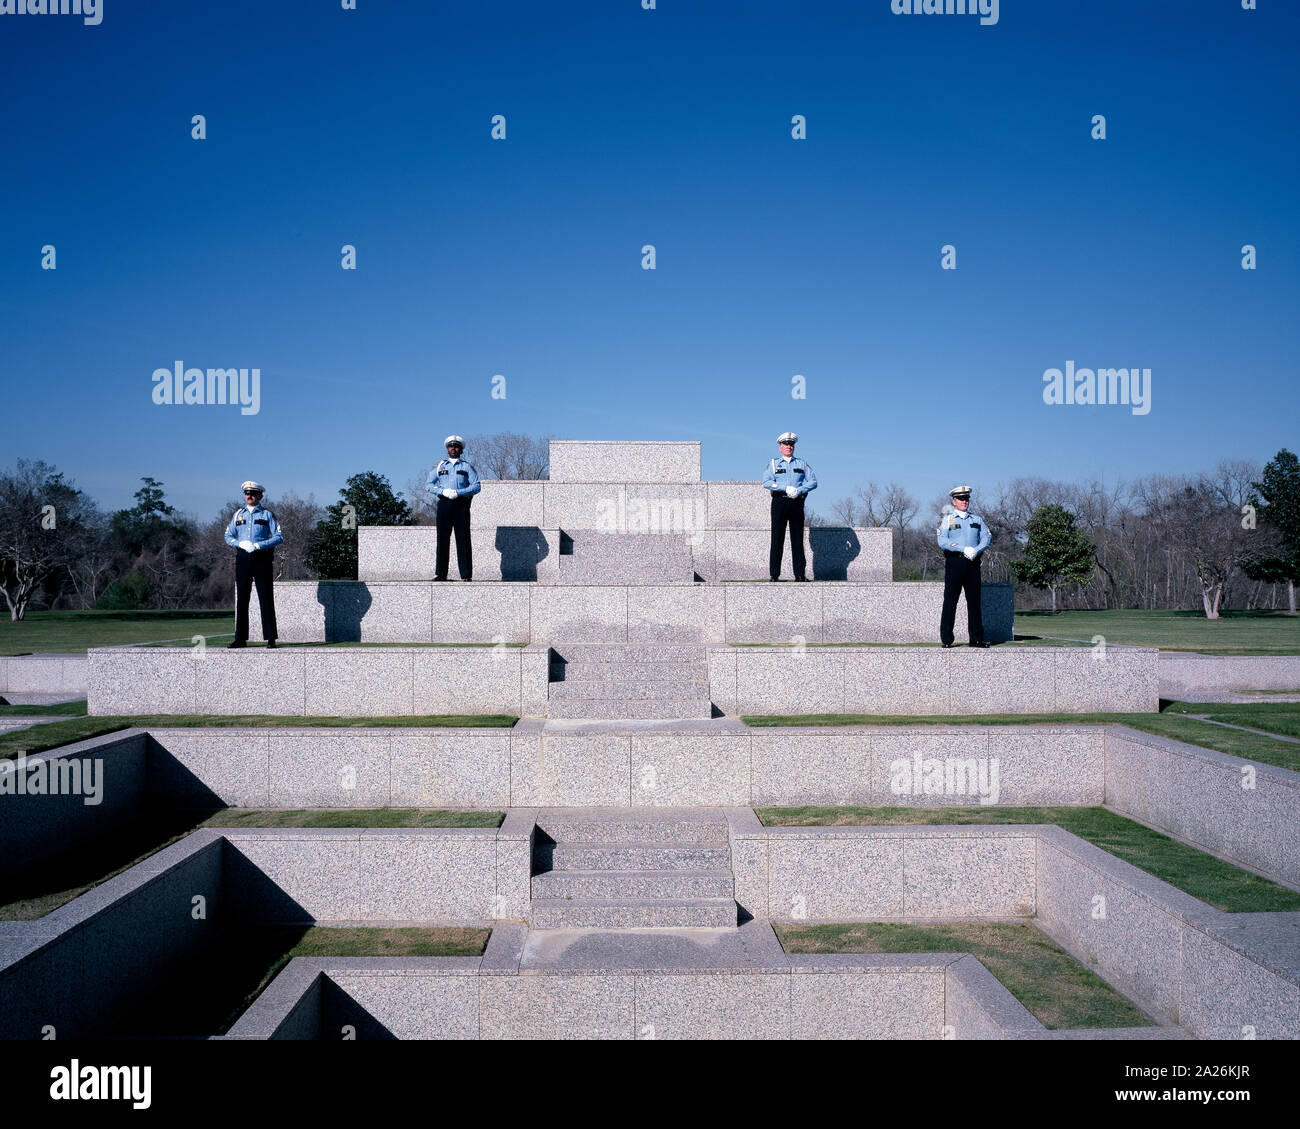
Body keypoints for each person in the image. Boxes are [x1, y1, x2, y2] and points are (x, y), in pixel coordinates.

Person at [224, 480, 283, 648]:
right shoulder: (238, 514)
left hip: (262, 559)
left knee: (265, 598)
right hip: (243, 558)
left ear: (260, 496)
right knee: (242, 598)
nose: (249, 496)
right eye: (247, 493)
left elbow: (279, 537)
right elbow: (228, 536)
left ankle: (271, 638)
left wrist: (259, 545)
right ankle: (240, 638)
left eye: (253, 493)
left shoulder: (267, 515)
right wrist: (238, 543)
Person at [937, 484, 990, 648]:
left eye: (966, 498)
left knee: (974, 601)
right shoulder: (948, 520)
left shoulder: (977, 520)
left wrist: (976, 550)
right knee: (950, 601)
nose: (964, 501)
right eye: (961, 498)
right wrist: (961, 548)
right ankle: (947, 639)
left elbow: (986, 538)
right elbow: (942, 541)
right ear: (954, 501)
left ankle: (976, 638)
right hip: (955, 562)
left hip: (973, 563)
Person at [762, 431, 817, 581]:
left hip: (796, 502)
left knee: (797, 539)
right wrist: (784, 487)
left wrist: (799, 490)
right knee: (777, 538)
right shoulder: (773, 464)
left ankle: (799, 574)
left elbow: (813, 482)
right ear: (780, 447)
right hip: (779, 501)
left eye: (791, 444)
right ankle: (774, 574)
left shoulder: (802, 464)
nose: (789, 446)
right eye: (786, 444)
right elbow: (766, 482)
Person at [427, 435, 481, 581]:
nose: (453, 449)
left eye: (456, 447)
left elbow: (476, 486)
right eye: (451, 446)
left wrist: (459, 492)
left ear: (461, 450)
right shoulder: (440, 466)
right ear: (447, 449)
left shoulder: (467, 466)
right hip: (444, 503)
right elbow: (428, 485)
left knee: (463, 539)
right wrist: (442, 491)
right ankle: (441, 574)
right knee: (442, 539)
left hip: (461, 504)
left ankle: (466, 574)